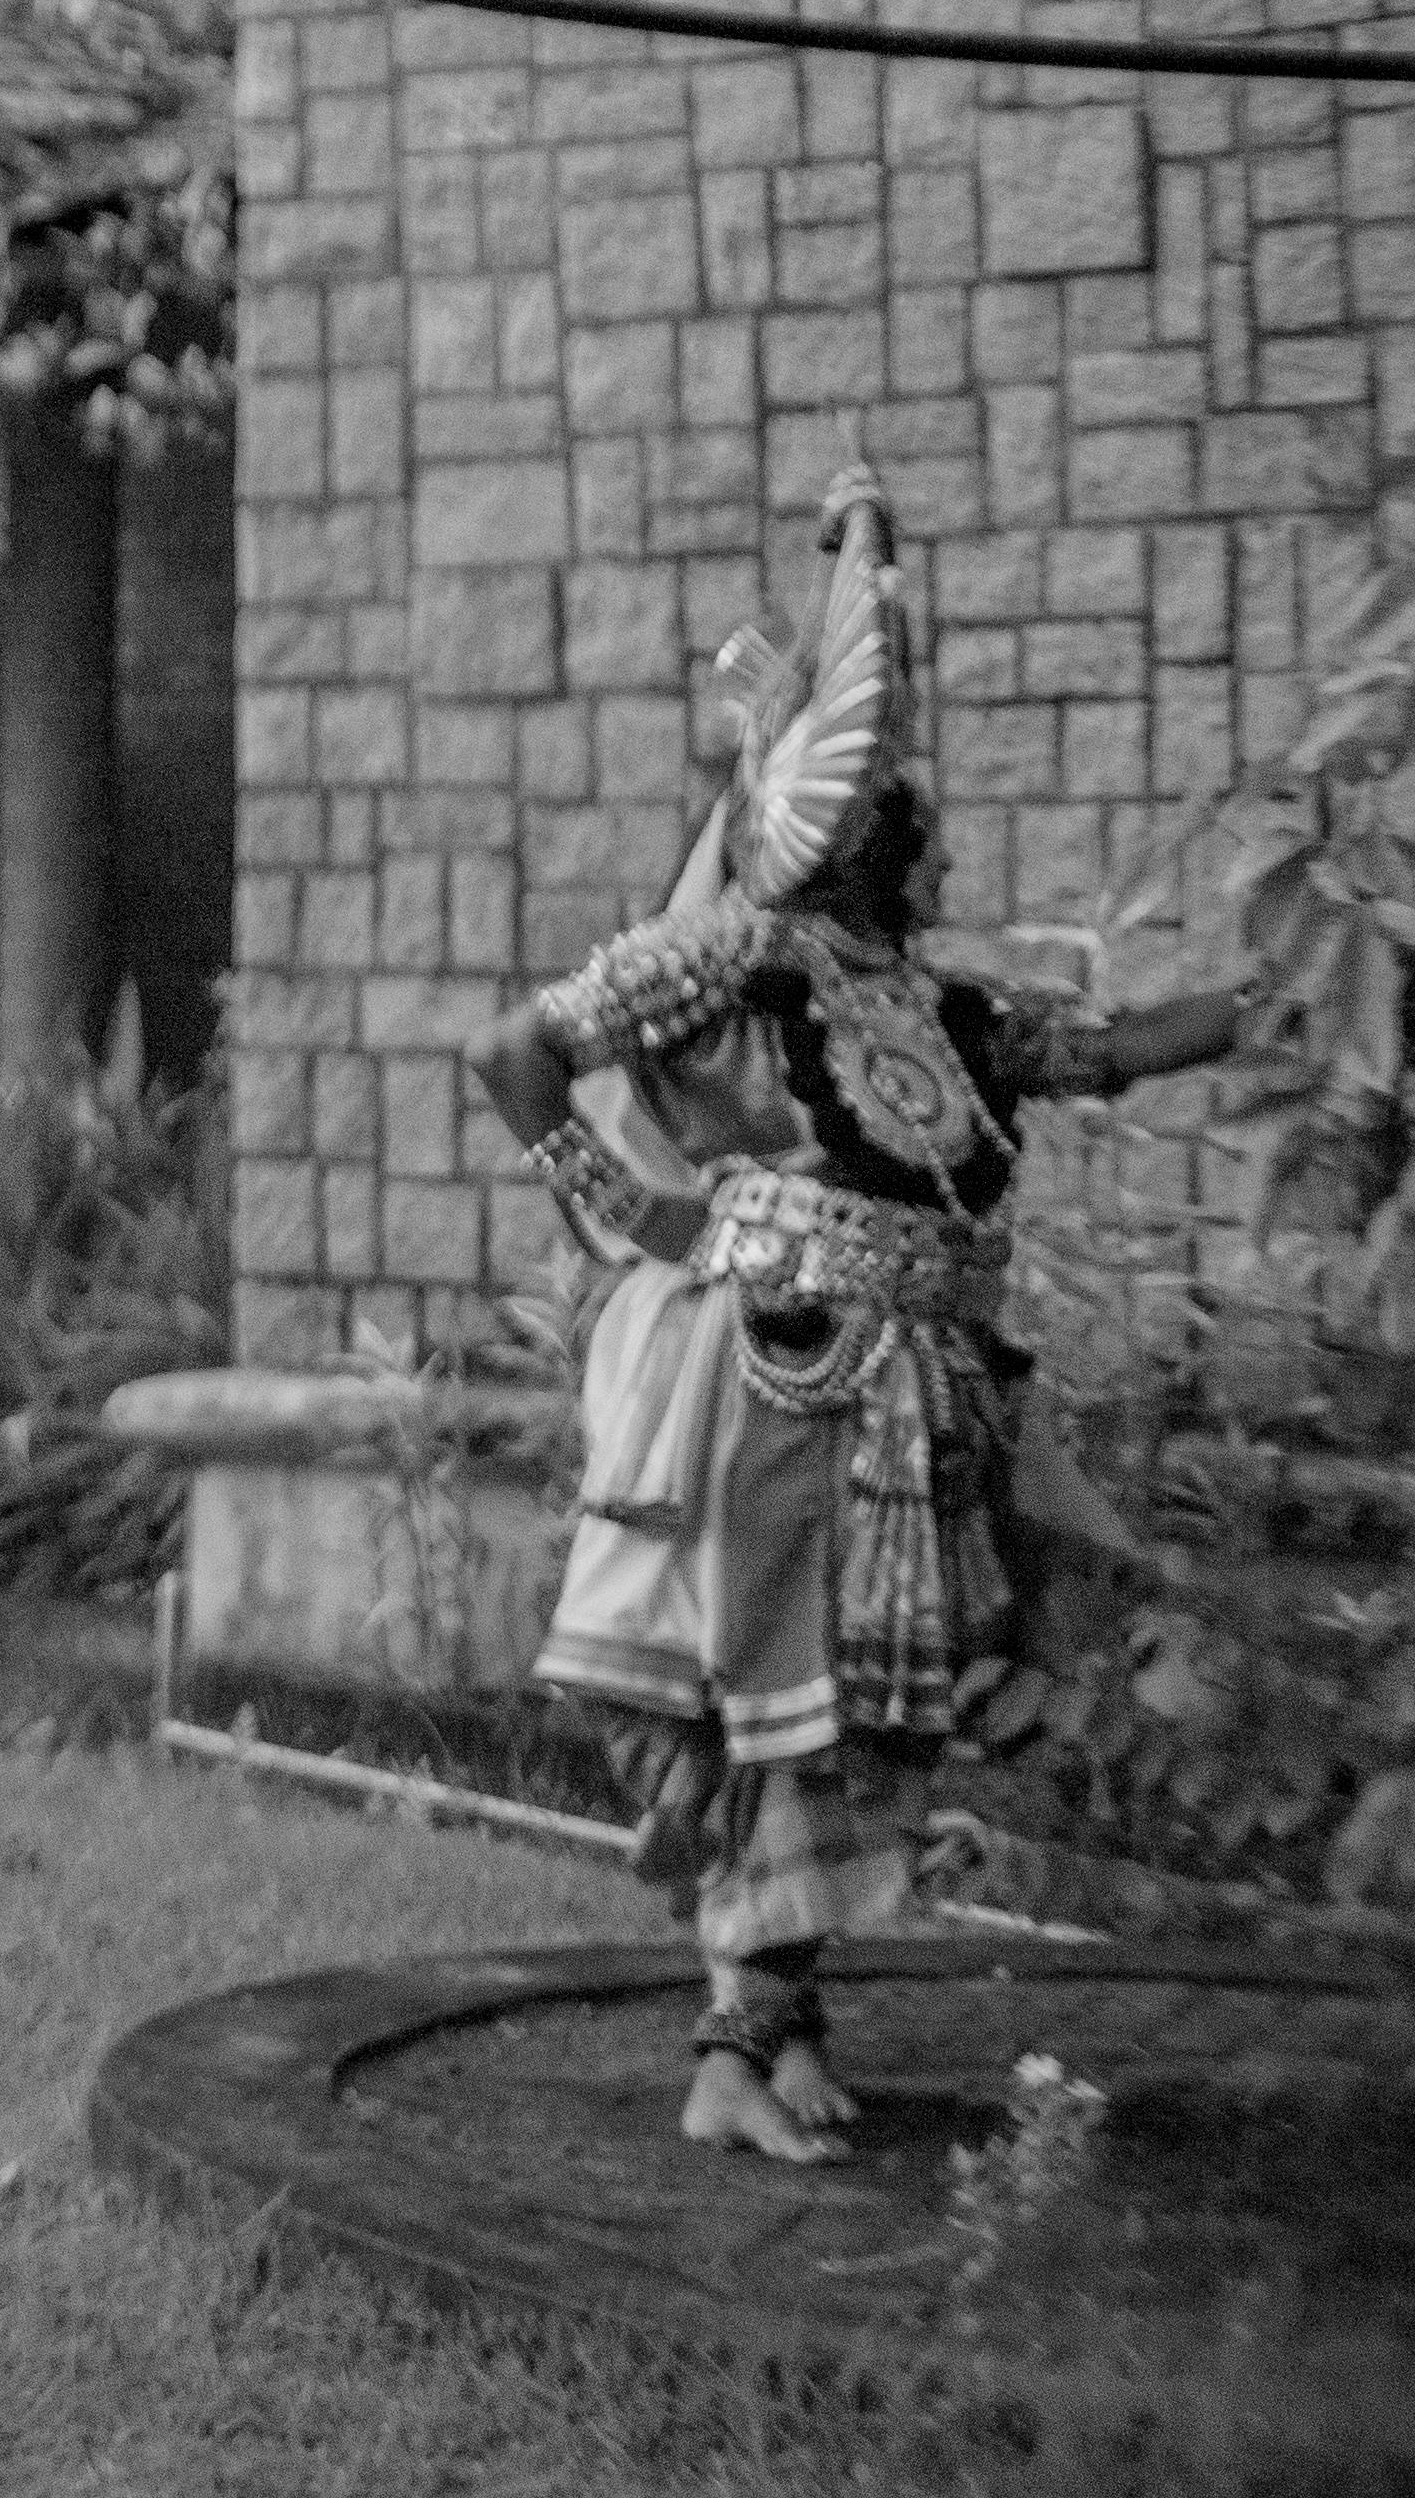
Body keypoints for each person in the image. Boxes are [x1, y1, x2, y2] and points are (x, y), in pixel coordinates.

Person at [466, 465, 1253, 2163]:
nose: (895, 820)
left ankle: (770, 2032)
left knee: (853, 1727)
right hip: (778, 1379)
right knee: (786, 1711)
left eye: (903, 802)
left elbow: (1109, 1049)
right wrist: (634, 1214)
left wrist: (1275, 1003)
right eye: (869, 793)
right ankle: (737, 2048)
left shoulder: (947, 1006)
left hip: (920, 1400)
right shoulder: (727, 960)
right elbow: (515, 1054)